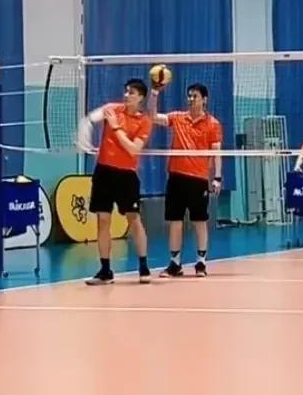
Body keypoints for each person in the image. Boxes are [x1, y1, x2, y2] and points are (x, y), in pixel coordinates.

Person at [76, 78, 154, 285]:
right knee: (102, 220)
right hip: (104, 172)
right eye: (126, 91)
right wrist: (84, 138)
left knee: (133, 220)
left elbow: (133, 149)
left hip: (126, 175)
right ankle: (105, 270)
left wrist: (116, 128)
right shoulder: (112, 109)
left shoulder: (144, 121)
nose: (127, 95)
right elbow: (89, 120)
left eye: (132, 93)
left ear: (141, 98)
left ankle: (144, 267)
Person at [148, 82, 223, 278]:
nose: (191, 99)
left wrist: (217, 177)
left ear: (204, 99)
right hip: (176, 177)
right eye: (189, 95)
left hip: (198, 179)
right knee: (175, 221)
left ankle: (201, 263)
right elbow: (153, 117)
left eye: (195, 96)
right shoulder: (178, 118)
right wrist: (155, 93)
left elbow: (217, 153)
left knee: (199, 221)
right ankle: (175, 264)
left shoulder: (213, 124)